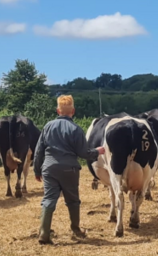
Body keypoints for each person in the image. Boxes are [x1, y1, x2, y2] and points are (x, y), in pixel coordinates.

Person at [33, 95, 105, 245]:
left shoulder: (47, 126)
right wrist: (98, 151)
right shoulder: (76, 129)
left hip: (49, 168)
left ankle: (44, 233)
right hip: (69, 169)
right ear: (73, 111)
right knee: (72, 200)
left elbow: (39, 150)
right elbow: (83, 153)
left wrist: (37, 170)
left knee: (49, 199)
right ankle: (76, 229)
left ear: (57, 110)